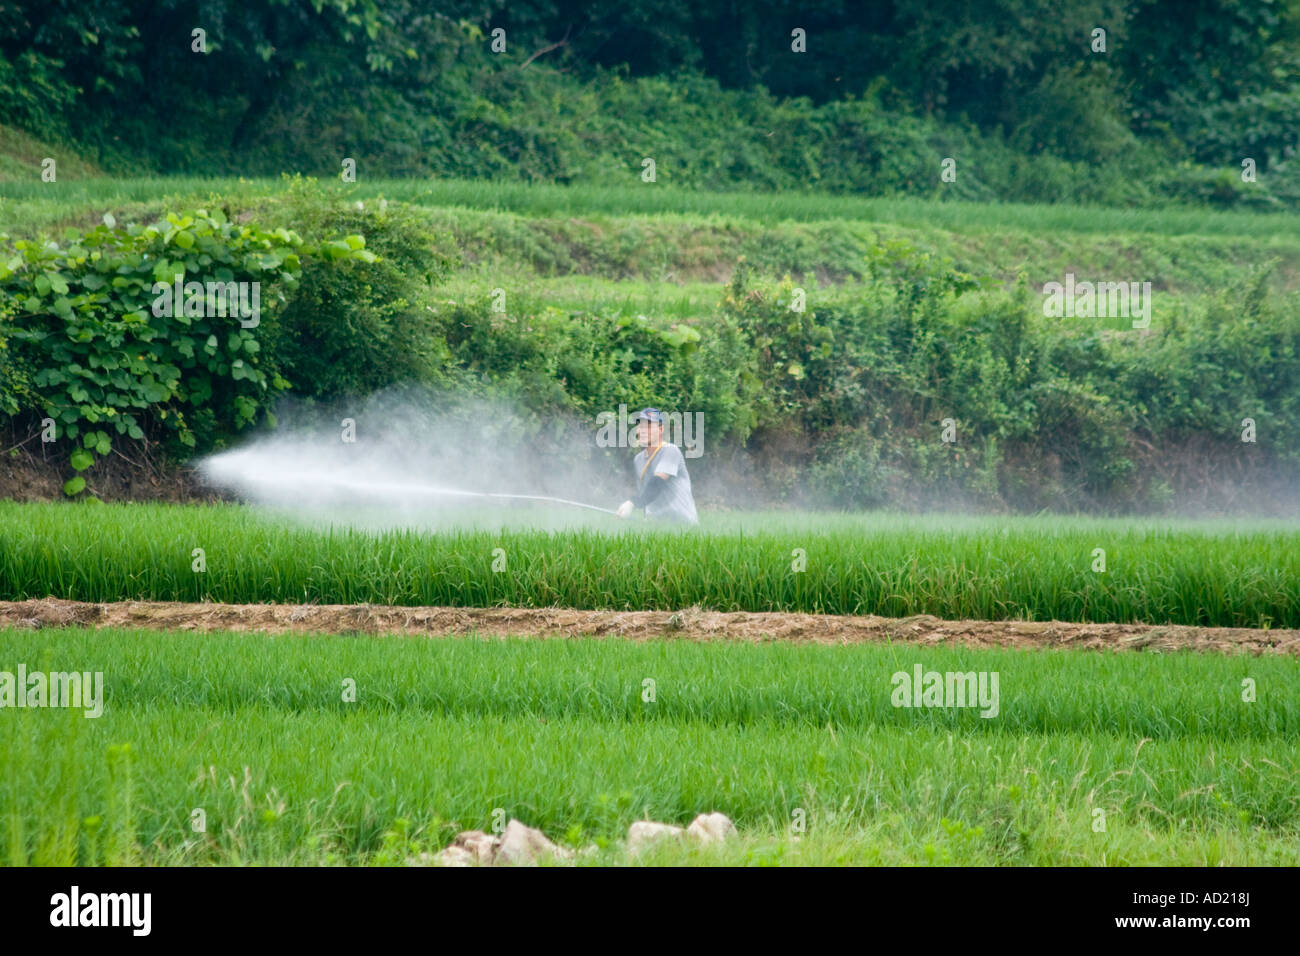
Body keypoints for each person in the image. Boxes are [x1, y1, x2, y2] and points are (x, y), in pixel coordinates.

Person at [616, 408, 698, 525]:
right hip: (656, 526)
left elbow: (657, 483)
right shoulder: (638, 460)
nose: (643, 430)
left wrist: (632, 503)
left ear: (660, 429)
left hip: (682, 525)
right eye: (640, 426)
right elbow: (646, 491)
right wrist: (646, 517)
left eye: (648, 426)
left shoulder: (670, 451)